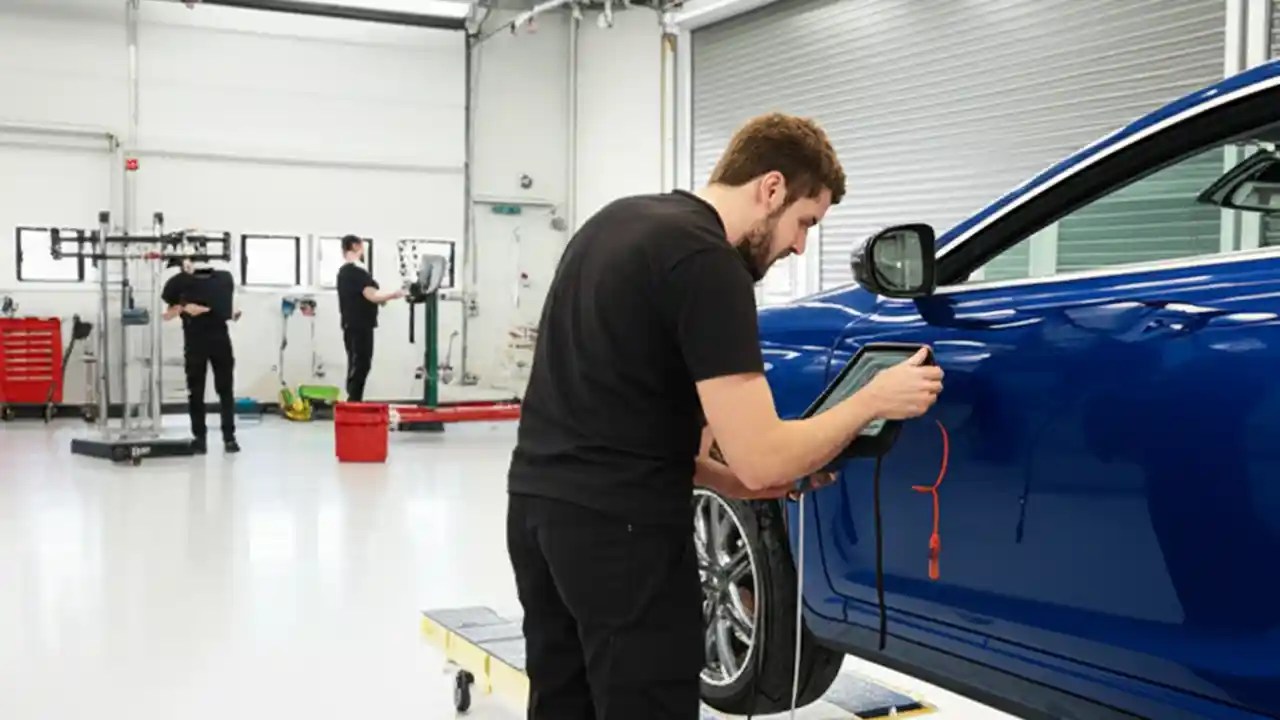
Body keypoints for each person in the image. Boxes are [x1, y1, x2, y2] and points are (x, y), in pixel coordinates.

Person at [505, 112, 945, 719]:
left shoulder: (616, 223)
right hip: (621, 537)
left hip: (538, 514)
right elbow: (764, 454)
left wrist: (731, 482)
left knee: (563, 702)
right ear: (770, 188)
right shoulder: (707, 263)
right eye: (804, 222)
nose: (799, 246)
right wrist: (873, 400)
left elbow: (619, 417)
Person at [162, 257, 242, 454]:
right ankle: (201, 437)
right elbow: (168, 305)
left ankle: (228, 437)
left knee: (224, 389)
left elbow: (223, 308)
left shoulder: (223, 279)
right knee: (196, 390)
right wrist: (183, 306)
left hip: (216, 338)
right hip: (197, 340)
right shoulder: (181, 282)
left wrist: (208, 310)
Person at [336, 234, 404, 402]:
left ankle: (353, 401)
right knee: (361, 365)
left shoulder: (344, 273)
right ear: (355, 246)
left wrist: (381, 299)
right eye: (361, 245)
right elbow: (371, 296)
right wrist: (395, 295)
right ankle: (354, 403)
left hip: (350, 324)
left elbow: (365, 296)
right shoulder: (356, 272)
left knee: (354, 364)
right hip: (361, 325)